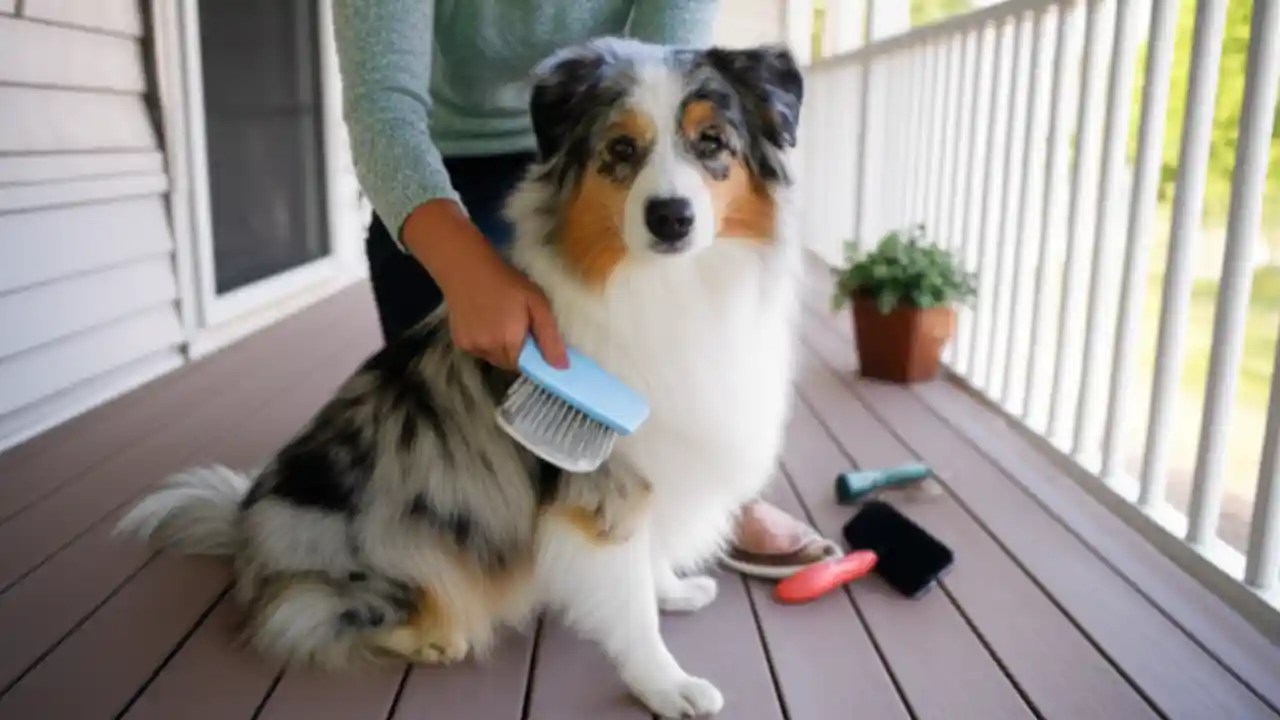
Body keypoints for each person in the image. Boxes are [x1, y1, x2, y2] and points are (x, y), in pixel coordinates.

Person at [331, 0, 837, 578]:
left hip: (607, 137)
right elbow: (383, 109)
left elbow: (670, 74)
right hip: (435, 164)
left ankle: (708, 490)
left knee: (673, 295)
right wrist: (465, 271)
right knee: (467, 403)